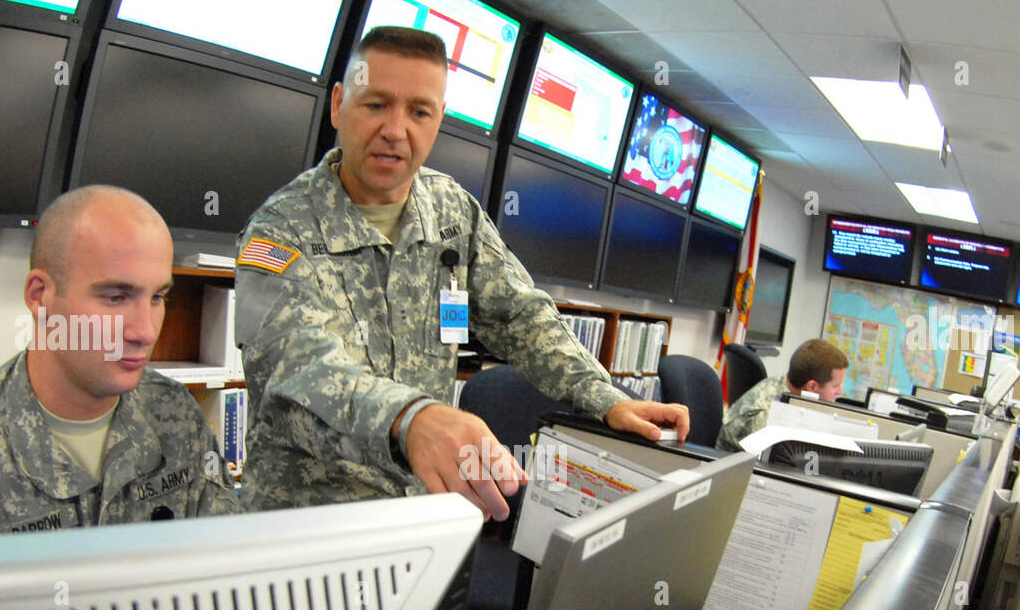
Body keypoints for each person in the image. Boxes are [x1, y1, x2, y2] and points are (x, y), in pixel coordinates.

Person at [234, 26, 688, 520]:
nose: (395, 128)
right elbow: (294, 373)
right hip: (309, 523)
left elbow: (522, 317)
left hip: (419, 515)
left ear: (438, 121)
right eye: (376, 104)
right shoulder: (278, 232)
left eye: (419, 112)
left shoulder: (453, 212)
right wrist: (409, 418)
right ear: (338, 104)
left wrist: (603, 397)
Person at [0, 185, 240, 538]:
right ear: (41, 297)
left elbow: (223, 566)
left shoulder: (176, 415)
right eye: (116, 297)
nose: (145, 332)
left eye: (158, 297)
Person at [716, 339, 848, 451]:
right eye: (836, 386)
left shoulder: (788, 387)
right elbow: (769, 470)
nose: (840, 392)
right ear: (812, 387)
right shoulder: (767, 417)